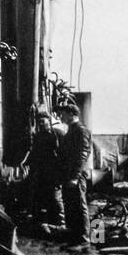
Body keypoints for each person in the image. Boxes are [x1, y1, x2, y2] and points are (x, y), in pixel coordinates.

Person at [54, 102, 92, 247]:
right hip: (68, 175)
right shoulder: (71, 130)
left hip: (76, 176)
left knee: (79, 206)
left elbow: (82, 155)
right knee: (70, 206)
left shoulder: (81, 131)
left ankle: (83, 240)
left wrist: (75, 177)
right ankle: (73, 237)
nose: (60, 116)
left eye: (63, 114)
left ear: (71, 114)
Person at [25, 109, 64, 230]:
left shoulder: (58, 134)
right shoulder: (37, 137)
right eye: (39, 122)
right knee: (39, 197)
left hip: (54, 172)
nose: (41, 124)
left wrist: (62, 171)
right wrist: (27, 162)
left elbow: (64, 154)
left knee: (55, 197)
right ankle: (42, 223)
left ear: (49, 121)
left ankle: (61, 223)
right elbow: (34, 153)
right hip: (41, 172)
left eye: (43, 121)